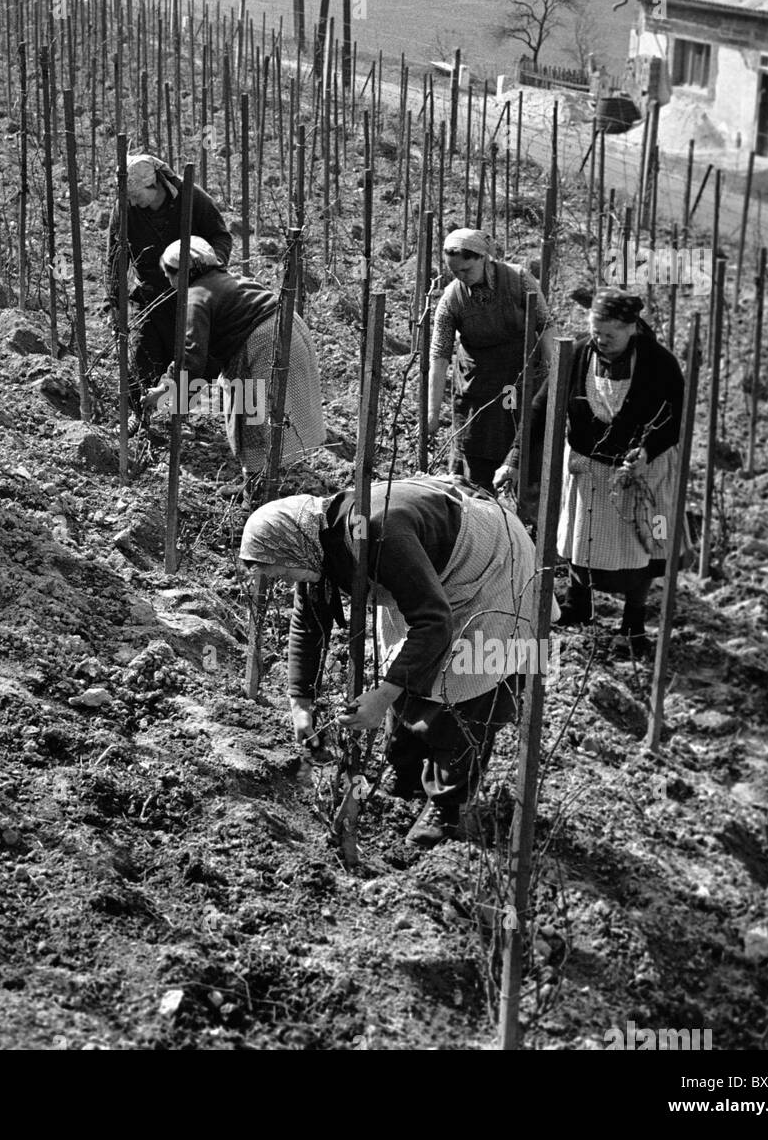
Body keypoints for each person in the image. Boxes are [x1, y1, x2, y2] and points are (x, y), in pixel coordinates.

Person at [238, 474, 538, 849]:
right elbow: (308, 623)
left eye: (280, 573)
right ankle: (404, 768)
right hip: (432, 574)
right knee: (404, 662)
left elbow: (432, 622)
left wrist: (380, 699)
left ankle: (448, 806)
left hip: (488, 561)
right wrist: (300, 702)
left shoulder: (376, 534)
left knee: (469, 676)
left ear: (291, 549)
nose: (282, 582)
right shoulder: (313, 542)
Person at [495, 288, 685, 659]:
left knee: (642, 543)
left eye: (609, 335)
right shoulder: (579, 353)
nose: (601, 341)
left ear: (631, 329)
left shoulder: (660, 364)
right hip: (588, 466)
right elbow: (539, 408)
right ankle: (577, 603)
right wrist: (514, 460)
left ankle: (633, 623)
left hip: (641, 471)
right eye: (596, 332)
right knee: (581, 537)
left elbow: (675, 420)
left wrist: (646, 452)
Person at [143, 237, 325, 482]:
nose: (170, 284)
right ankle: (269, 480)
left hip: (263, 343)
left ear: (181, 274)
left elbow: (191, 361)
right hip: (290, 328)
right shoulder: (229, 280)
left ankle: (259, 488)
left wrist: (163, 393)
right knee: (274, 411)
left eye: (169, 277)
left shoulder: (195, 297)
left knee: (251, 418)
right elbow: (207, 360)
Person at [105, 154, 233, 418]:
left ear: (154, 187)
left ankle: (178, 415)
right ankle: (139, 418)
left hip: (190, 293)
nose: (130, 202)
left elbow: (220, 236)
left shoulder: (192, 200)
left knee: (194, 358)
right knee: (143, 355)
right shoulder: (125, 208)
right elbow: (115, 257)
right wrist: (116, 303)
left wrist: (210, 267)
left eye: (136, 196)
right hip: (150, 295)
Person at [427, 227, 551, 492]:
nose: (461, 277)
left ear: (483, 258)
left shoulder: (519, 280)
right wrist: (432, 413)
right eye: (454, 272)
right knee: (477, 448)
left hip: (520, 376)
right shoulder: (452, 299)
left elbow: (545, 324)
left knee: (523, 439)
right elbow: (439, 356)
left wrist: (551, 375)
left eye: (466, 270)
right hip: (478, 384)